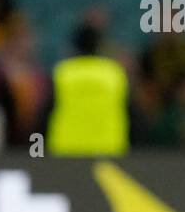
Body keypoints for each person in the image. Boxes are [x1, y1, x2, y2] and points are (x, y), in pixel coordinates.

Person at [46, 23, 130, 156]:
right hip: (108, 148)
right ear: (99, 46)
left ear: (75, 45)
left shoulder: (62, 72)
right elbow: (129, 111)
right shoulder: (114, 73)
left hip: (66, 149)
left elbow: (46, 112)